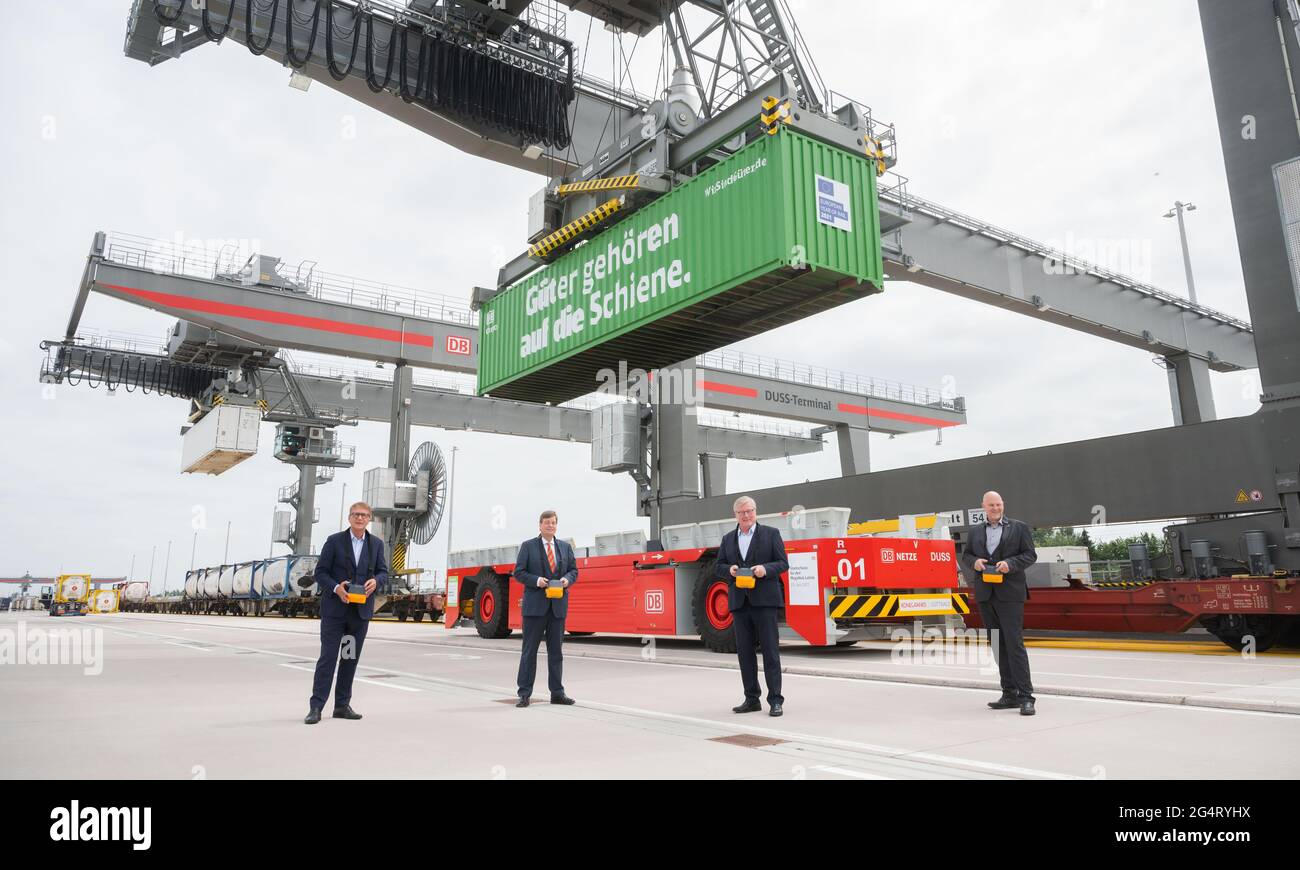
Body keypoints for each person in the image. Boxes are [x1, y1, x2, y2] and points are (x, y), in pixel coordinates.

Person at [304, 501, 387, 724]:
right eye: (356, 515)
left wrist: (375, 581)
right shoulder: (334, 542)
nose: (360, 518)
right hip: (335, 612)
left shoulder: (376, 545)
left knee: (349, 659)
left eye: (364, 515)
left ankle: (341, 705)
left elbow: (383, 572)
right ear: (349, 518)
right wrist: (336, 588)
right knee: (328, 658)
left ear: (369, 519)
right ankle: (316, 706)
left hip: (357, 615)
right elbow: (320, 572)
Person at [960, 491, 1038, 715]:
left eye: (999, 504)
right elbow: (967, 555)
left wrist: (1010, 564)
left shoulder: (1018, 527)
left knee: (1014, 645)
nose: (996, 508)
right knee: (997, 645)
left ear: (1003, 505)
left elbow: (1030, 555)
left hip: (1010, 594)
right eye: (991, 505)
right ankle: (1009, 694)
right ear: (983, 506)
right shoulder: (975, 531)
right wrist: (975, 563)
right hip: (986, 594)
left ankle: (1026, 697)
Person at [713, 495, 788, 717]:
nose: (746, 516)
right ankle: (751, 698)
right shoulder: (728, 539)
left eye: (750, 511)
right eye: (741, 512)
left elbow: (783, 563)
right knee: (745, 654)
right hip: (740, 603)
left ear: (756, 512)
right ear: (735, 515)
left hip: (764, 602)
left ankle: (775, 700)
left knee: (770, 652)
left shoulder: (771, 534)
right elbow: (718, 566)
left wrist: (765, 569)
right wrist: (730, 570)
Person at [514, 510, 578, 708]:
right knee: (529, 652)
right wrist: (536, 581)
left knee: (556, 653)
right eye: (547, 522)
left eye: (553, 522)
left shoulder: (565, 548)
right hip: (534, 609)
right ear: (540, 525)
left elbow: (574, 570)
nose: (550, 525)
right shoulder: (528, 546)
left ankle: (557, 693)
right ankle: (524, 694)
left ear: (556, 526)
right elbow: (519, 573)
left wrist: (567, 579)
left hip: (557, 608)